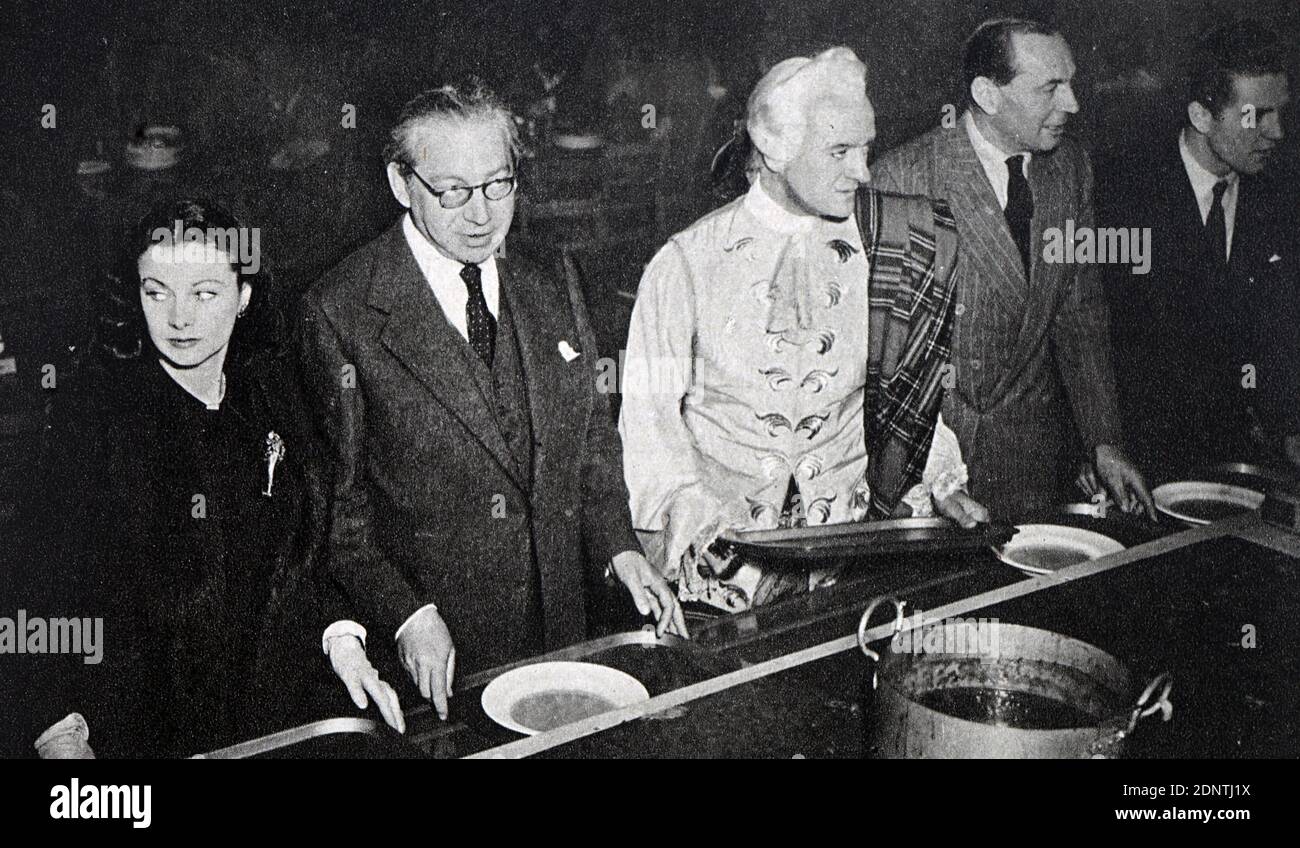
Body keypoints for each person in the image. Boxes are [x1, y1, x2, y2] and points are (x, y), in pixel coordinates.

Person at [296, 82, 686, 721]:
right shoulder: (340, 311)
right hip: (439, 663)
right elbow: (341, 516)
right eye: (451, 192)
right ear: (401, 183)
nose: (479, 214)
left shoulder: (552, 277)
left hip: (565, 642)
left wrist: (620, 545)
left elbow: (589, 443)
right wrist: (408, 615)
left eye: (497, 184)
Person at [8, 199, 400, 759]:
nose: (179, 319)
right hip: (142, 737)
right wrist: (59, 731)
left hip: (272, 726)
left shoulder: (271, 394)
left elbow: (306, 549)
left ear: (242, 298)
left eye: (204, 292)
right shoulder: (91, 421)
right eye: (157, 292)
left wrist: (341, 640)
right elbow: (34, 590)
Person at [619, 48, 989, 611]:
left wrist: (944, 482)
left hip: (853, 561)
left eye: (866, 148)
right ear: (772, 146)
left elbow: (907, 394)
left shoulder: (893, 245)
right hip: (719, 572)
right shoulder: (683, 264)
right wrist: (696, 524)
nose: (863, 172)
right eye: (839, 151)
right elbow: (649, 425)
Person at [872, 18, 1155, 518]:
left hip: (1031, 463)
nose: (1072, 104)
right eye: (1051, 88)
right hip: (929, 473)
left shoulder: (1070, 169)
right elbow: (880, 355)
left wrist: (1104, 439)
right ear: (987, 93)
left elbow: (1080, 314)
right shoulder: (903, 176)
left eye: (1070, 83)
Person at [1099, 20, 1300, 479]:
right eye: (1257, 116)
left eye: (1281, 113)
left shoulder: (1280, 195)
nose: (1278, 133)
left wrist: (1289, 427)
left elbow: (1281, 331)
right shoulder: (1120, 193)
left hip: (1240, 464)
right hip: (1139, 466)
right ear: (1201, 116)